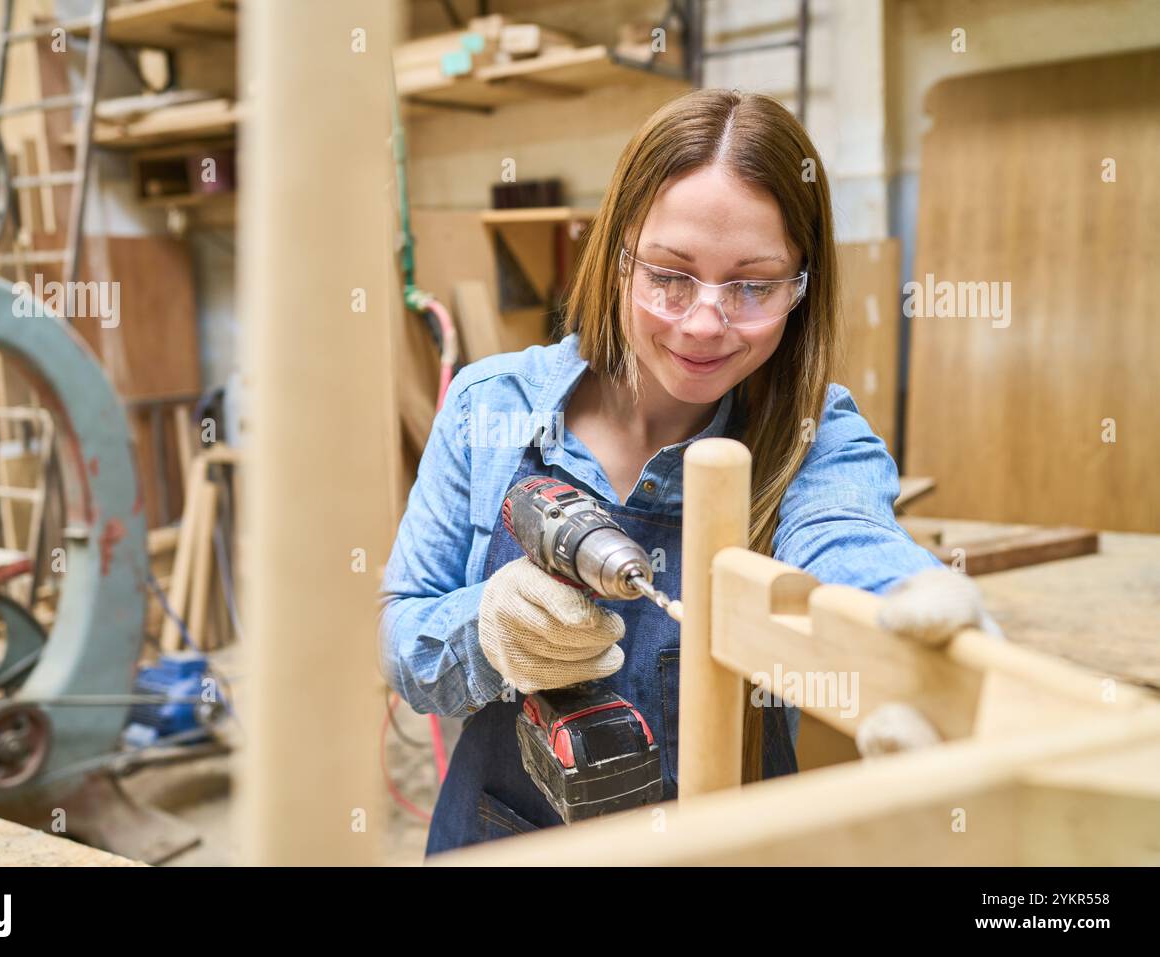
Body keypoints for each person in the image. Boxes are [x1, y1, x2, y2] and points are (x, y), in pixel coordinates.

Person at [379, 89, 996, 856]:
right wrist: (489, 630)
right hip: (500, 839)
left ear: (801, 288)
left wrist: (912, 636)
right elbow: (403, 644)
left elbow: (846, 537)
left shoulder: (813, 433)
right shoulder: (489, 406)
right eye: (670, 275)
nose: (705, 322)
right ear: (617, 254)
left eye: (754, 285)